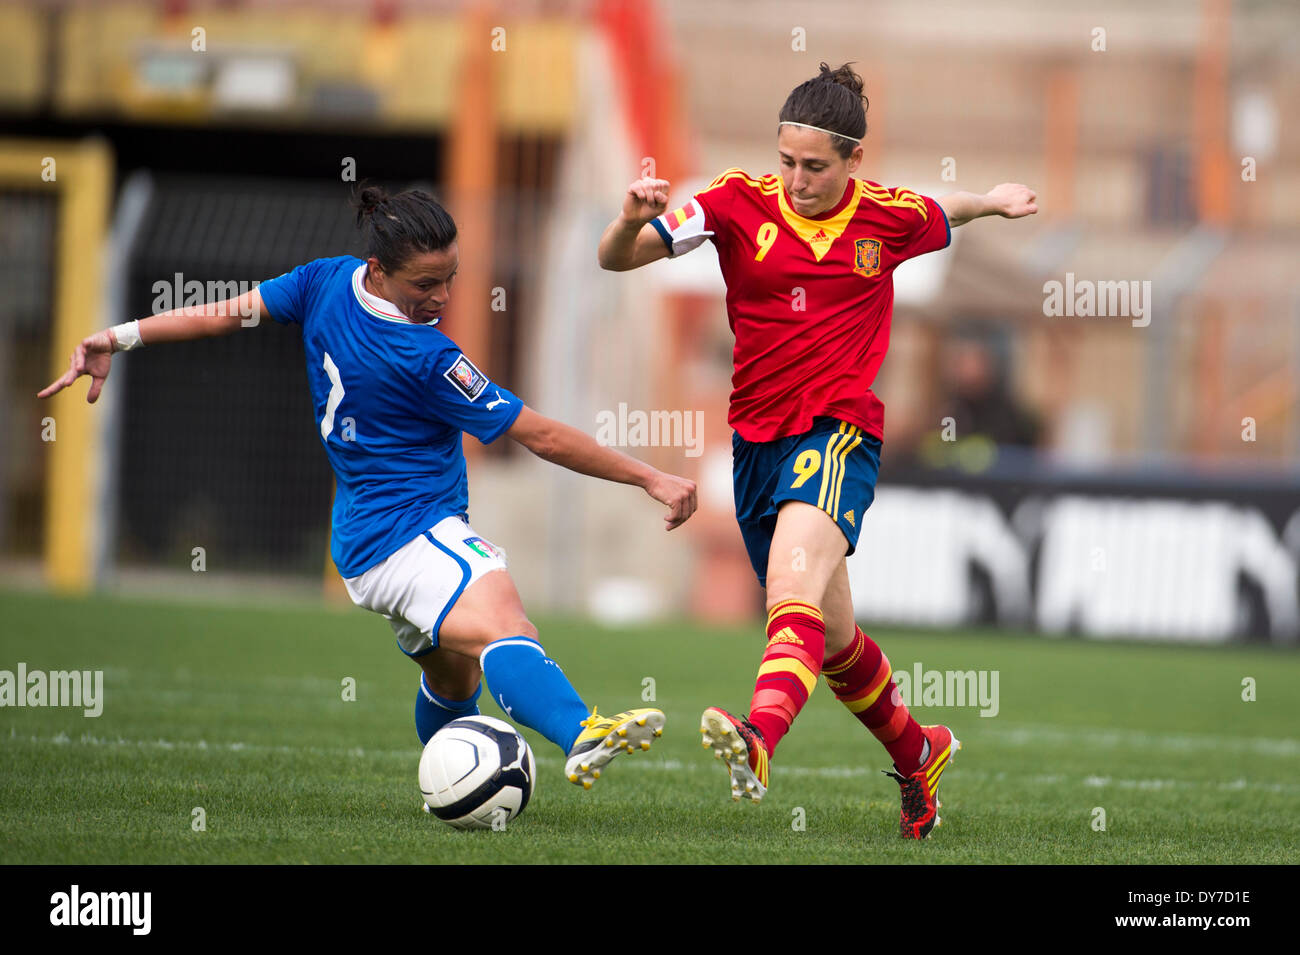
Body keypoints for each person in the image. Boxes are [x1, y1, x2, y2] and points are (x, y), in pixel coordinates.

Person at [40, 185, 698, 797]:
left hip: (359, 541)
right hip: (412, 532)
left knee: (454, 674)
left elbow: (221, 315)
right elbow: (542, 435)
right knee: (505, 621)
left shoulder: (323, 281)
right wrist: (649, 474)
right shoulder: (429, 359)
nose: (441, 296)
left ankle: (452, 784)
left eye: (450, 278)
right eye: (426, 283)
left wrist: (120, 336)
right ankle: (580, 732)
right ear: (380, 268)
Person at [597, 63, 1036, 838]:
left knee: (789, 588)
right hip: (756, 441)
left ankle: (759, 738)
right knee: (831, 639)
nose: (797, 180)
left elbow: (946, 209)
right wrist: (631, 221)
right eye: (788, 161)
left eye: (816, 166)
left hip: (837, 433)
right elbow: (618, 259)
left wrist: (994, 204)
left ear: (853, 161)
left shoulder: (886, 219)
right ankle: (919, 751)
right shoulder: (736, 202)